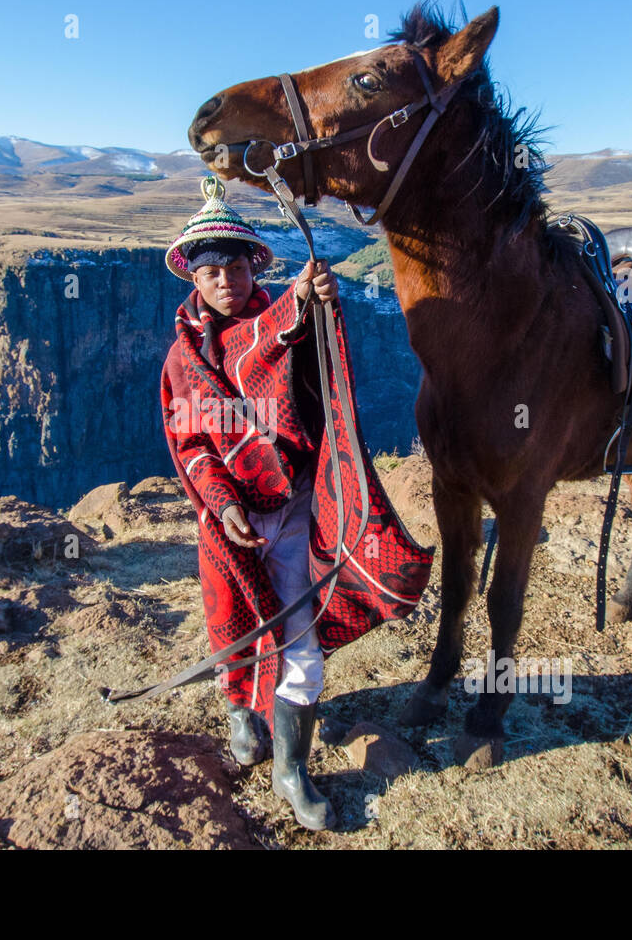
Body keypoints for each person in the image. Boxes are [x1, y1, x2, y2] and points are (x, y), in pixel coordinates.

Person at [159, 176, 432, 831]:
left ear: (254, 264)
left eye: (235, 265)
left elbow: (283, 358)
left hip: (301, 508)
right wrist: (223, 504)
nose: (224, 279)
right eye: (210, 270)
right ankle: (241, 710)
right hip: (235, 525)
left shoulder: (278, 320)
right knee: (236, 627)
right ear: (193, 278)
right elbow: (194, 443)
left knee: (299, 645)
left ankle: (290, 769)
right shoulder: (182, 360)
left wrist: (311, 306)